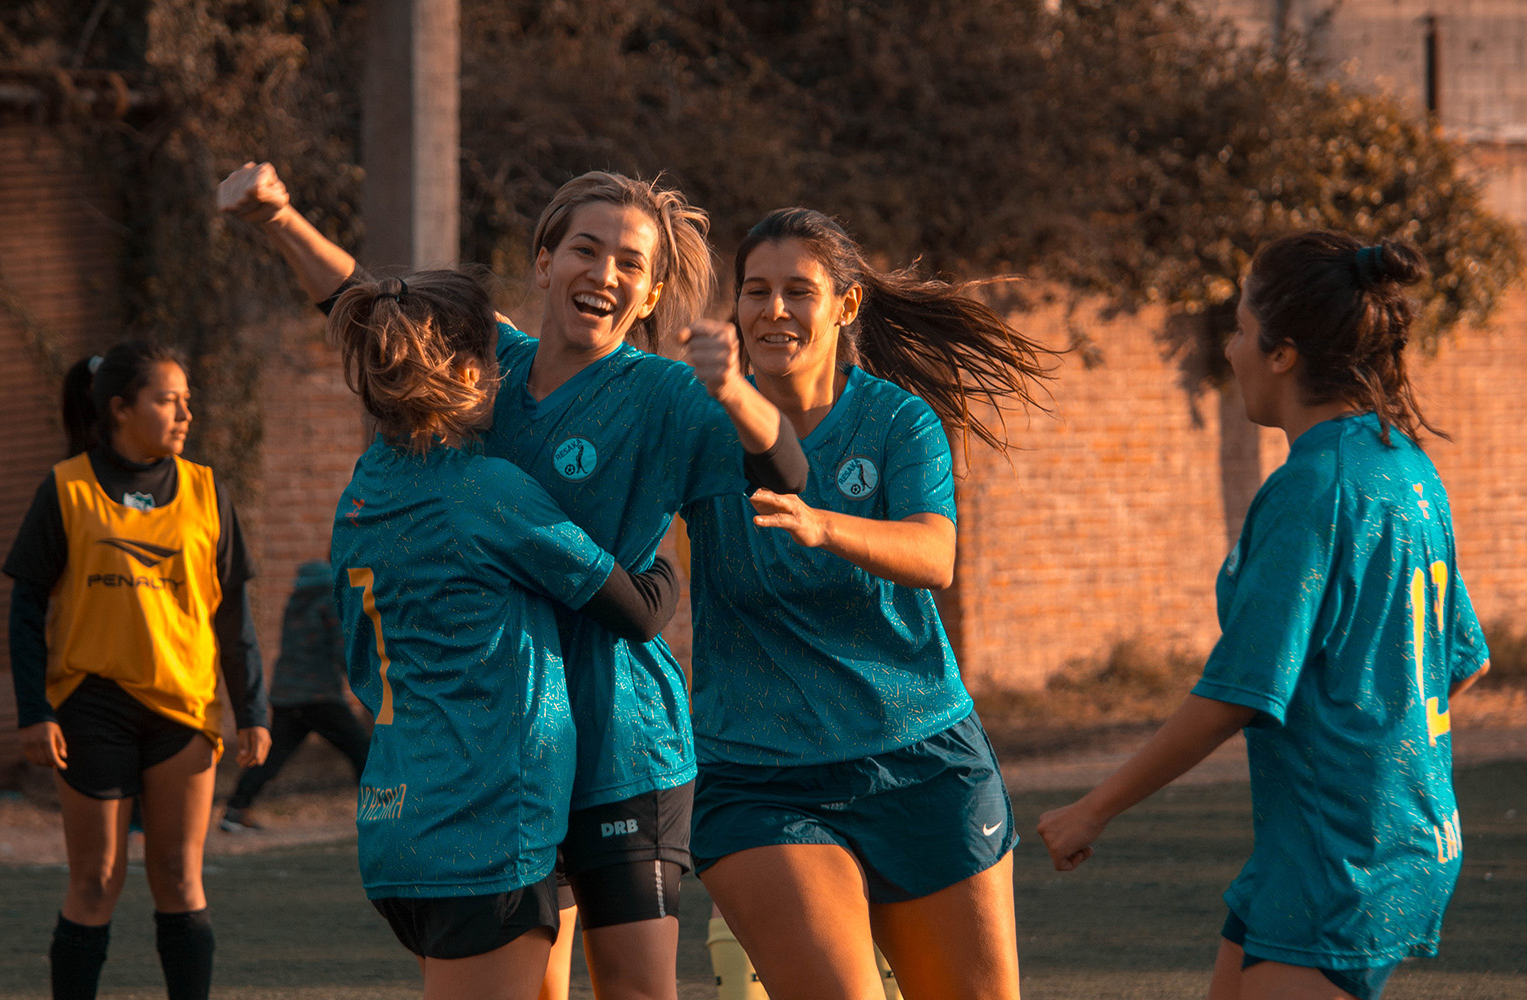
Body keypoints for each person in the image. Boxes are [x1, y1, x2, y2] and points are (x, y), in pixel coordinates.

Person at [219, 161, 807, 1000]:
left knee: (637, 990)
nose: (605, 272)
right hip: (503, 756)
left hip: (620, 743)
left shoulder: (667, 394)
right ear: (544, 261)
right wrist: (278, 219)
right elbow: (364, 298)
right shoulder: (488, 365)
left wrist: (736, 393)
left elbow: (784, 473)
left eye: (631, 263)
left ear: (651, 293)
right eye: (586, 248)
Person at [1036, 232, 1490, 1000]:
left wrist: (1093, 808)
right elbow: (1464, 663)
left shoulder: (1312, 490)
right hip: (1374, 838)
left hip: (1339, 857)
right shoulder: (1406, 466)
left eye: (1243, 329)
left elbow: (1241, 692)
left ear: (1282, 354)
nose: (1232, 347)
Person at [682, 207, 1056, 1000]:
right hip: (759, 778)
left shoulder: (896, 420)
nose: (773, 310)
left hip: (922, 758)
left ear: (846, 306)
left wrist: (824, 525)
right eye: (755, 291)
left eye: (797, 291)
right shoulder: (698, 420)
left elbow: (933, 554)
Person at [325, 269, 684, 1000]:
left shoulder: (362, 488)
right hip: (481, 830)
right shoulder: (483, 489)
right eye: (492, 358)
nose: (506, 374)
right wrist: (666, 562)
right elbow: (639, 609)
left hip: (400, 818)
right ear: (463, 373)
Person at [3, 342, 272, 1000]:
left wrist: (255, 711)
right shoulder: (66, 487)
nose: (184, 413)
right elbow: (25, 610)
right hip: (90, 706)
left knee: (180, 881)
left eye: (186, 401)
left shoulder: (208, 490)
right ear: (120, 409)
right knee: (95, 881)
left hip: (184, 709)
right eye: (166, 400)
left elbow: (231, 616)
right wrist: (35, 711)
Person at [220, 558, 368, 832]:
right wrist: (362, 679)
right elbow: (340, 649)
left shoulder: (296, 602)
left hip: (287, 693)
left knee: (272, 756)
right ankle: (376, 807)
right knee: (361, 750)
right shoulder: (329, 602)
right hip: (318, 695)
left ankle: (235, 809)